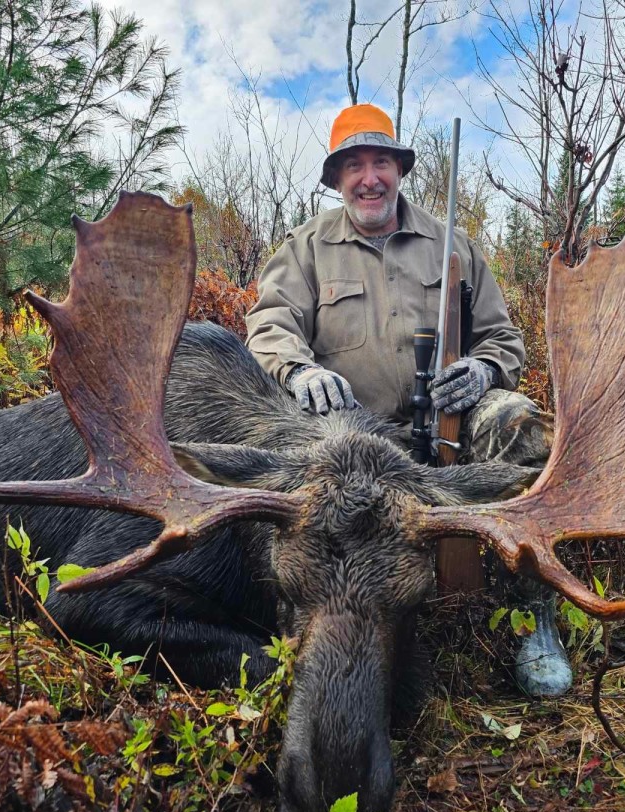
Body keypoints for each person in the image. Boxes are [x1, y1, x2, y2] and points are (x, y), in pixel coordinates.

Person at [245, 103, 573, 698]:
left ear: (399, 170)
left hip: (447, 420)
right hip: (351, 438)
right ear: (337, 177)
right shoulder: (305, 249)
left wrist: (482, 369)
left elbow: (503, 338)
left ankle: (535, 615)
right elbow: (270, 326)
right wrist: (299, 371)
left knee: (521, 426)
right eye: (354, 166)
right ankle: (326, 636)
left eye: (381, 163)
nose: (369, 178)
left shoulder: (453, 245)